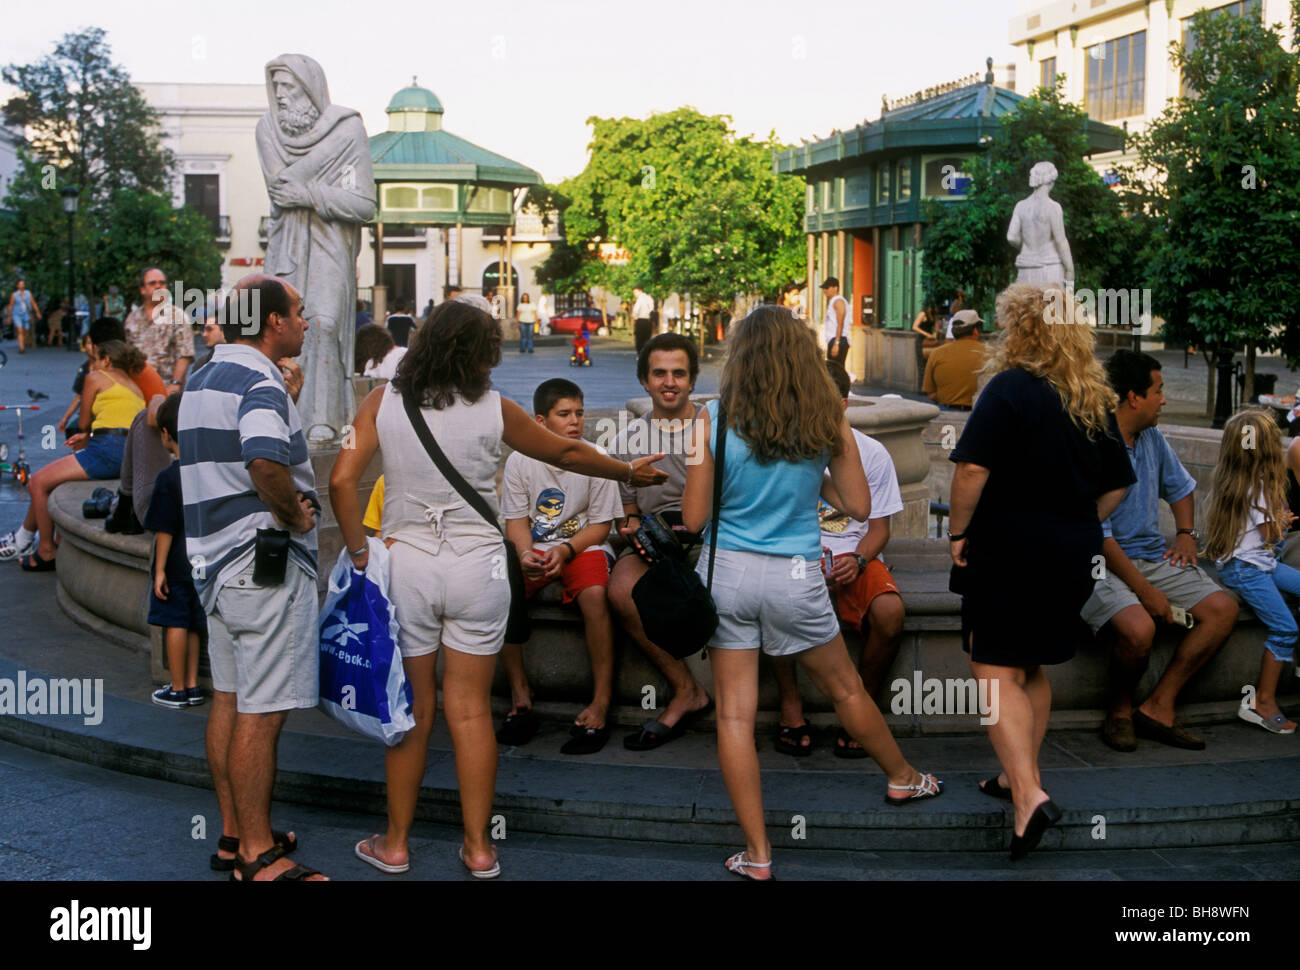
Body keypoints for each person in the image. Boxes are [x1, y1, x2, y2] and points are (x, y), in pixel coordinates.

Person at [329, 299, 666, 878]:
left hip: (409, 564)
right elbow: (563, 450)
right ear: (483, 355)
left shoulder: (380, 402)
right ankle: (480, 849)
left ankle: (396, 844)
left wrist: (362, 552)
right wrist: (628, 473)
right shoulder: (495, 409)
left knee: (413, 709)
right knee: (470, 712)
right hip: (480, 569)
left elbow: (340, 479)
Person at [681, 305, 940, 880]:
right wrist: (808, 472)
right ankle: (903, 777)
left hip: (728, 577)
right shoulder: (827, 418)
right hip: (796, 576)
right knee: (846, 688)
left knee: (735, 717)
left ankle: (758, 854)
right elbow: (858, 507)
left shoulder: (711, 418)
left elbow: (695, 517)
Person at [947, 283, 1133, 860]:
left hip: (1008, 550)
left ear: (1019, 330)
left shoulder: (1008, 388)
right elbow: (1118, 484)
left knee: (992, 667)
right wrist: (1073, 523)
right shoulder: (1091, 397)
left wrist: (956, 534)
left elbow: (972, 468)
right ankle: (1015, 775)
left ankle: (1028, 795)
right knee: (1030, 666)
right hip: (1072, 553)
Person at [181, 274, 324, 881]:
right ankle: (260, 856)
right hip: (261, 565)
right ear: (272, 323)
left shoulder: (203, 376)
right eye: (297, 312)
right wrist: (293, 513)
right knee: (262, 714)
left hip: (213, 564)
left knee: (231, 699)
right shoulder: (259, 380)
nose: (305, 321)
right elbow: (264, 458)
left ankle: (234, 833)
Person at [1083, 349, 1238, 752]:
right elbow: (1095, 532)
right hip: (1097, 562)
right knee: (1139, 629)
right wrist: (1145, 591)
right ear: (1133, 397)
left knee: (1223, 611)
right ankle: (1118, 712)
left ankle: (1157, 707)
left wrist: (1186, 534)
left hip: (1150, 555)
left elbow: (1182, 487)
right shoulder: (1094, 441)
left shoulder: (1152, 437)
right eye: (1159, 390)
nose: (1164, 399)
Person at [772, 361, 907, 758]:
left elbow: (879, 529)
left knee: (890, 612)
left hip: (852, 553)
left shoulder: (872, 453)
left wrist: (860, 561)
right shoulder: (781, 447)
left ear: (843, 406)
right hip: (792, 554)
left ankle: (861, 704)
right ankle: (791, 706)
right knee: (773, 600)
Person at [497, 379, 623, 754]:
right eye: (564, 414)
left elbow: (601, 526)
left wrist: (566, 550)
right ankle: (520, 693)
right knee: (501, 587)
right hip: (535, 547)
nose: (575, 422)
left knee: (596, 596)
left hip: (582, 546)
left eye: (579, 413)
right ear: (540, 421)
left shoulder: (594, 458)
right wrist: (523, 555)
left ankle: (601, 700)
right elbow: (516, 521)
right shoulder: (520, 460)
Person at [610, 333, 713, 751]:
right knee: (618, 591)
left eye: (678, 373)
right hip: (657, 541)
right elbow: (627, 512)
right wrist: (633, 529)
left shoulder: (717, 428)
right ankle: (686, 689)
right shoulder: (626, 441)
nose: (669, 382)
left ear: (691, 380)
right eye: (659, 374)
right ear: (644, 381)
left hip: (714, 535)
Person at [1, 340, 146, 570]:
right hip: (131, 452)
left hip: (108, 449)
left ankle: (46, 551)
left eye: (96, 359)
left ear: (107, 360)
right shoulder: (134, 387)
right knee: (54, 478)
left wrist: (85, 433)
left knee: (38, 482)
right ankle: (35, 539)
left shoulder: (96, 378)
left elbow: (83, 421)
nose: (93, 365)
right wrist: (88, 436)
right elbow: (117, 422)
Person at [1204, 409, 1299, 734]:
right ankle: (1263, 701)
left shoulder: (1237, 481)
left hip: (1256, 564)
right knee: (1285, 628)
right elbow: (1273, 536)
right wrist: (1283, 519)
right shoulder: (1260, 488)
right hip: (1247, 570)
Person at [145, 392, 206, 709]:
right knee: (195, 623)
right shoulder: (207, 472)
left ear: (167, 435)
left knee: (175, 623)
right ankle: (195, 684)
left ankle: (178, 687)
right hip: (204, 559)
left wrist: (159, 570)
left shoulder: (169, 477)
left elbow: (165, 529)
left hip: (178, 563)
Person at [124, 267, 194, 389]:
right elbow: (126, 353)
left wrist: (175, 383)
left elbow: (185, 354)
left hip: (166, 387)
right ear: (142, 290)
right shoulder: (132, 318)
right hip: (136, 388)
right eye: (152, 283)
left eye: (162, 283)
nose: (158, 286)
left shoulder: (177, 316)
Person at [922, 310, 987, 410]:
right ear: (975, 331)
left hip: (946, 412)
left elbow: (931, 393)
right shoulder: (989, 353)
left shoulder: (936, 353)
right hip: (979, 412)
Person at [56, 334, 98, 439]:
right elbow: (79, 396)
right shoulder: (84, 369)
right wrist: (66, 417)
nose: (93, 347)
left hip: (101, 414)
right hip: (87, 415)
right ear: (83, 347)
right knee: (72, 430)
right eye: (89, 343)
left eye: (95, 343)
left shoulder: (106, 367)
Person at [821, 277, 850, 363]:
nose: (825, 290)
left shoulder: (838, 301)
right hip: (833, 339)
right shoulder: (833, 301)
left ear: (835, 288)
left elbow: (840, 323)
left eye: (827, 288)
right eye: (824, 288)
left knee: (836, 370)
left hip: (838, 339)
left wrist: (836, 343)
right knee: (833, 370)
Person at [6, 279, 40, 354]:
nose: (22, 285)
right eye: (20, 284)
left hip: (26, 314)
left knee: (26, 331)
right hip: (16, 314)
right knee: (20, 331)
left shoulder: (28, 293)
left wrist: (37, 312)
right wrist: (8, 317)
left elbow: (33, 302)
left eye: (23, 284)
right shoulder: (14, 295)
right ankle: (21, 348)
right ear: (17, 285)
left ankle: (24, 343)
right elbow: (11, 306)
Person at [632, 285, 655, 354]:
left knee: (639, 339)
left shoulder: (640, 299)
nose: (634, 294)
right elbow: (652, 309)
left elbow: (635, 311)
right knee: (647, 338)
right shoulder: (649, 298)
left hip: (640, 321)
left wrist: (635, 317)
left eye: (635, 292)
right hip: (648, 321)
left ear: (640, 291)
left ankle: (640, 354)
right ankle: (647, 353)